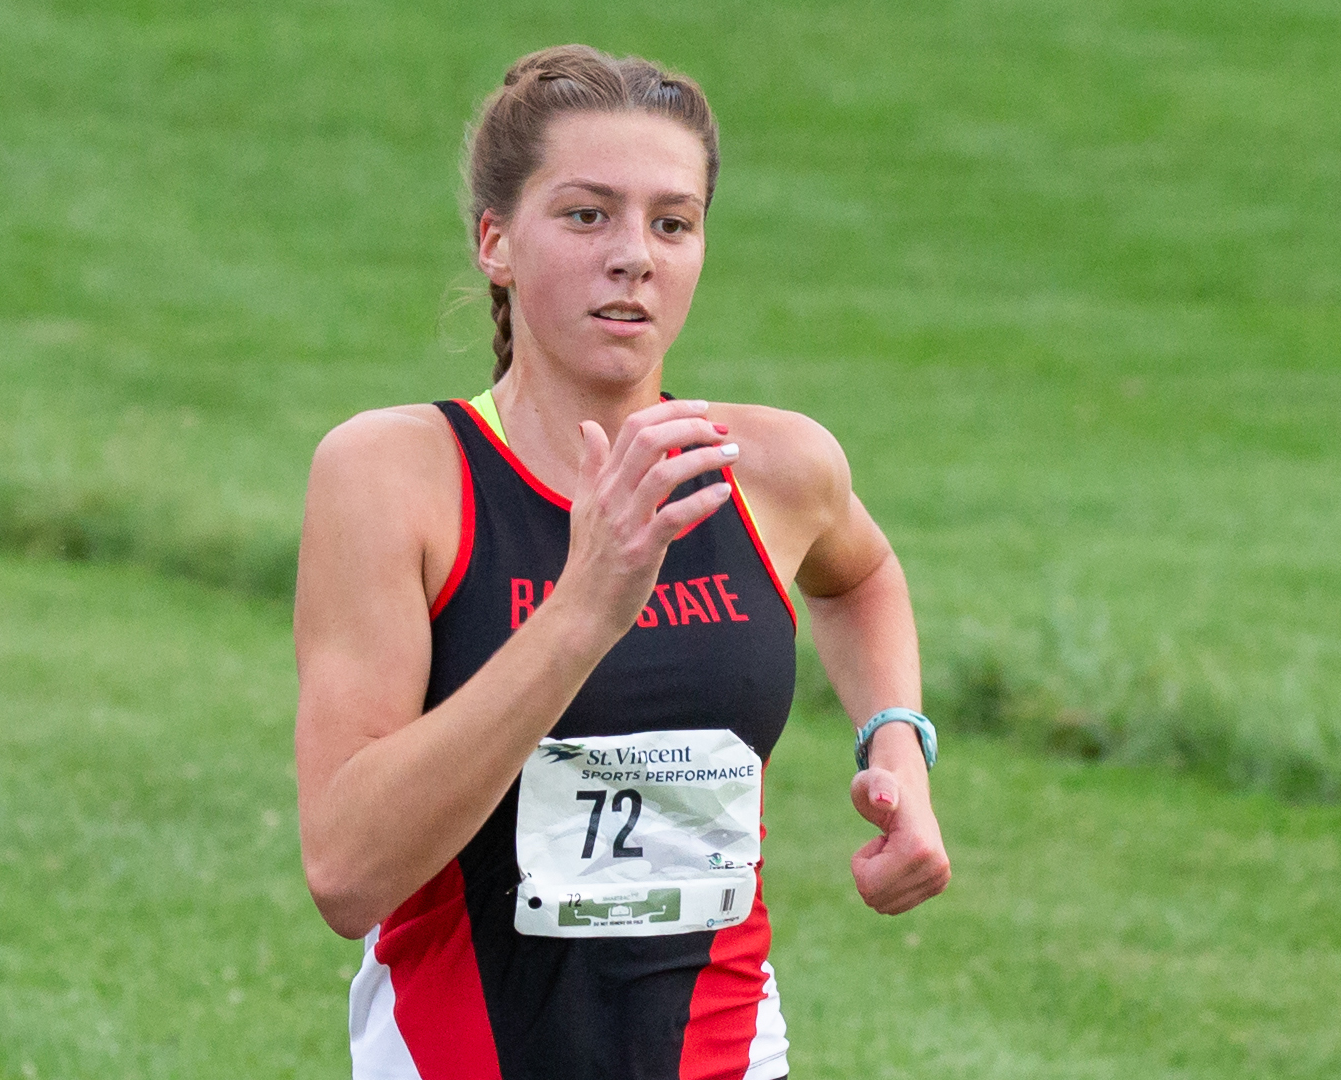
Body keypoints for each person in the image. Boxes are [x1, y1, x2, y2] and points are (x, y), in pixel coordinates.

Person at [294, 44, 950, 1080]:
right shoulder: (396, 476)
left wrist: (896, 748)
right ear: (496, 243)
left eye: (671, 222)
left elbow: (861, 577)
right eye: (588, 214)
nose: (634, 255)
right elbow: (345, 871)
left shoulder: (771, 468)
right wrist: (582, 610)